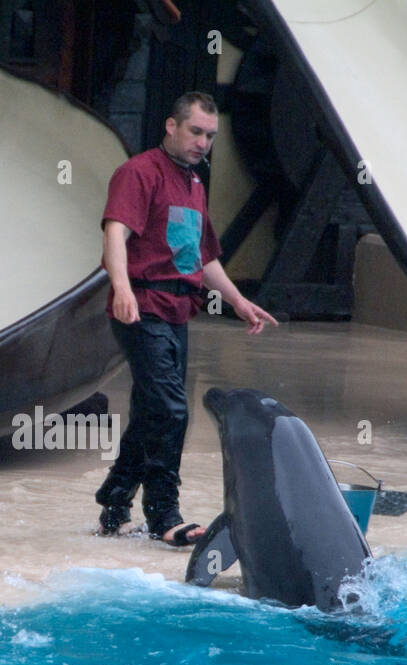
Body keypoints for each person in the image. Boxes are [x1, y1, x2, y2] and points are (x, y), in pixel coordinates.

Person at [95, 92, 278, 546]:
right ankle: (164, 515)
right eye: (195, 131)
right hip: (141, 305)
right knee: (172, 408)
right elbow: (115, 233)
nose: (203, 142)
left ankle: (115, 501)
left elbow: (202, 255)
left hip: (178, 311)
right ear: (171, 127)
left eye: (211, 136)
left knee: (152, 411)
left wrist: (237, 301)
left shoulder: (195, 183)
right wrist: (121, 289)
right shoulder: (138, 173)